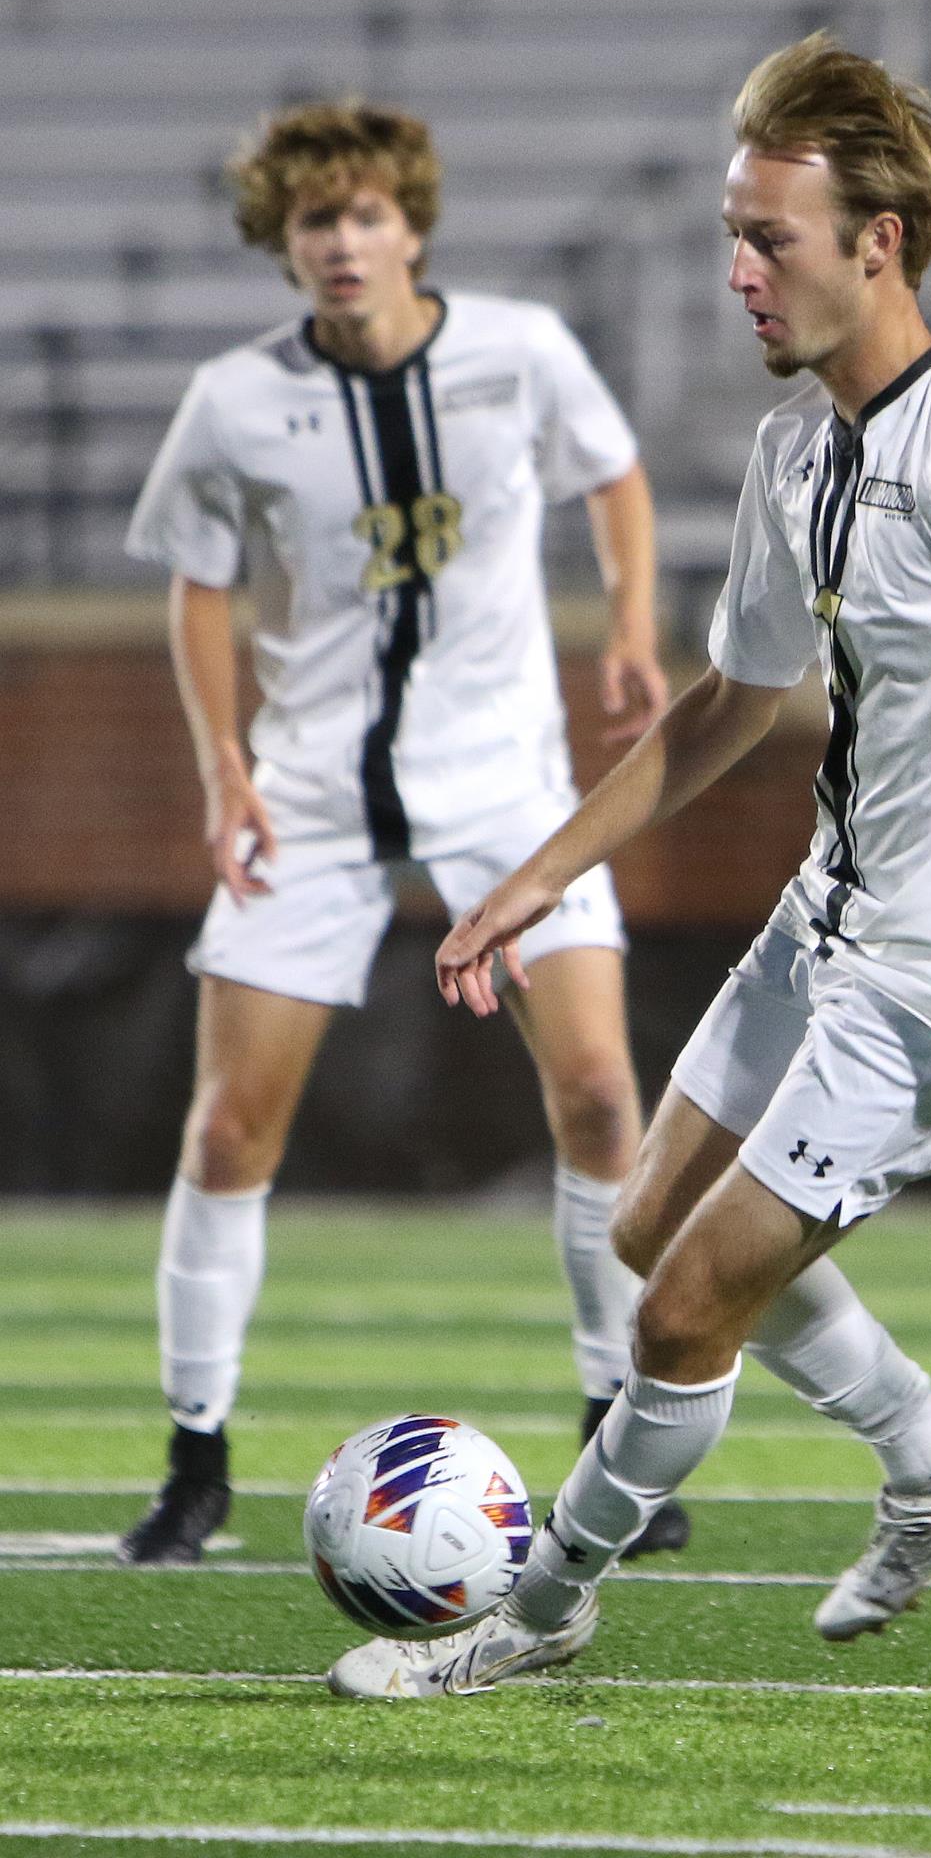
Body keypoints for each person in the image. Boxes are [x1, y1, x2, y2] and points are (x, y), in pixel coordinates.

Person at [325, 36, 931, 1700]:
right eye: (730, 236)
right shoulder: (798, 452)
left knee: (681, 1318)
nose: (737, 274)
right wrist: (538, 873)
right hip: (825, 926)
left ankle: (533, 1621)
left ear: (877, 242)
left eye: (772, 240)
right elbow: (733, 703)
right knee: (642, 1237)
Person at [120, 100, 690, 1565]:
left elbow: (614, 473)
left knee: (600, 1099)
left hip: (505, 782)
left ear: (412, 225)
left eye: (364, 214)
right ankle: (196, 1459)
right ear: (285, 243)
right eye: (315, 220)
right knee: (231, 1126)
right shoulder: (234, 402)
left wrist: (631, 621)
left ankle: (612, 1432)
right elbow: (193, 578)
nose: (341, 242)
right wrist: (222, 765)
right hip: (308, 788)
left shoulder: (518, 350)